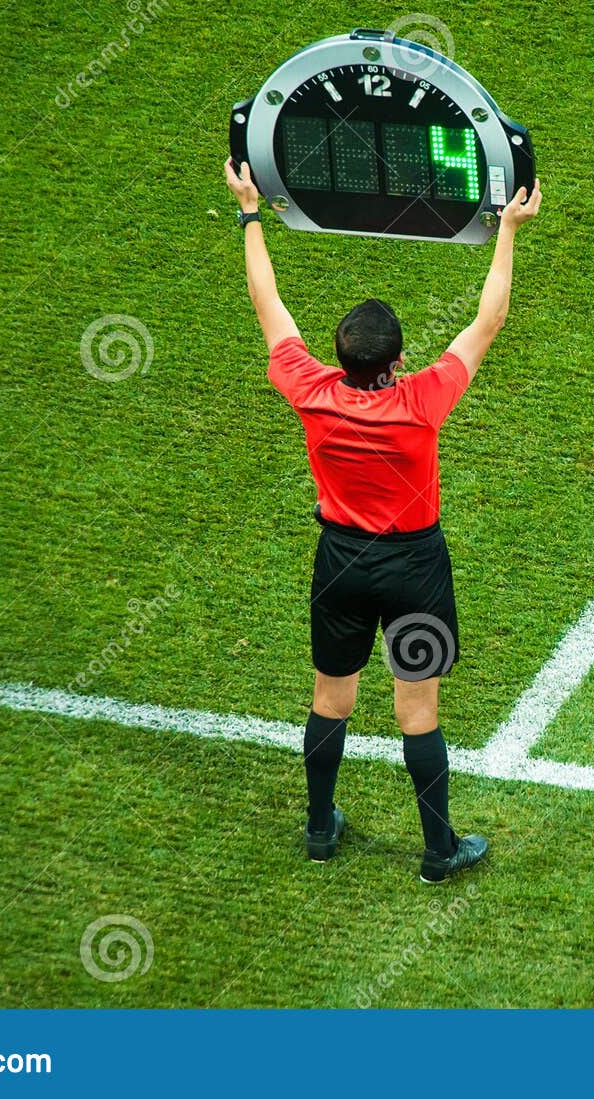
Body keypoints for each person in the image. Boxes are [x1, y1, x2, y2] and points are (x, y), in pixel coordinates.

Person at [223, 157, 542, 883]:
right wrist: (509, 230)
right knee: (417, 711)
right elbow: (488, 320)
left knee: (330, 697)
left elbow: (265, 302)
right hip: (414, 571)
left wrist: (248, 214)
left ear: (339, 355)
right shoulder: (421, 402)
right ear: (399, 360)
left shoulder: (310, 392)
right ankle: (437, 850)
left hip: (339, 563)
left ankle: (318, 828)